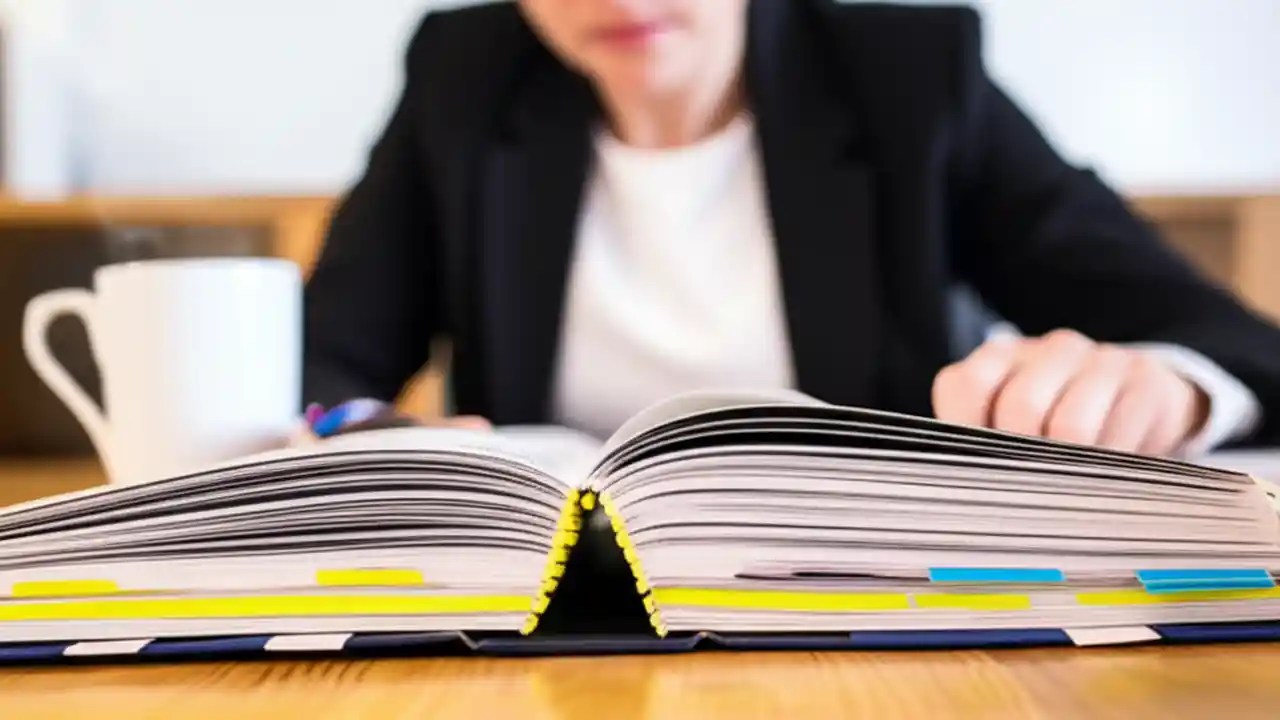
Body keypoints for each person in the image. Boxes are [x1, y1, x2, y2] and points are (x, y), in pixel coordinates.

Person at [304, 0, 1280, 456]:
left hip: (875, 611)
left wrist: (1171, 391)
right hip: (545, 627)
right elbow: (318, 364)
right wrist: (359, 432)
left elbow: (1229, 342)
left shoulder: (905, 70)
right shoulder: (461, 70)